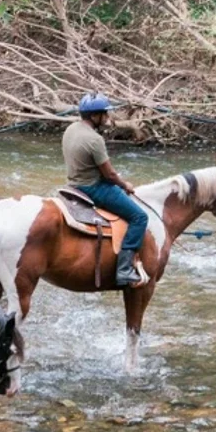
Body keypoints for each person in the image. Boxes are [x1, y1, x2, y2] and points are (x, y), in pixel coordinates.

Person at [62, 93, 148, 287]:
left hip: (73, 184)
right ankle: (124, 270)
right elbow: (109, 175)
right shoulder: (94, 139)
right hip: (94, 188)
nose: (107, 117)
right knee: (139, 217)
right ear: (94, 116)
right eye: (104, 114)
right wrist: (125, 185)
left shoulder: (71, 129)